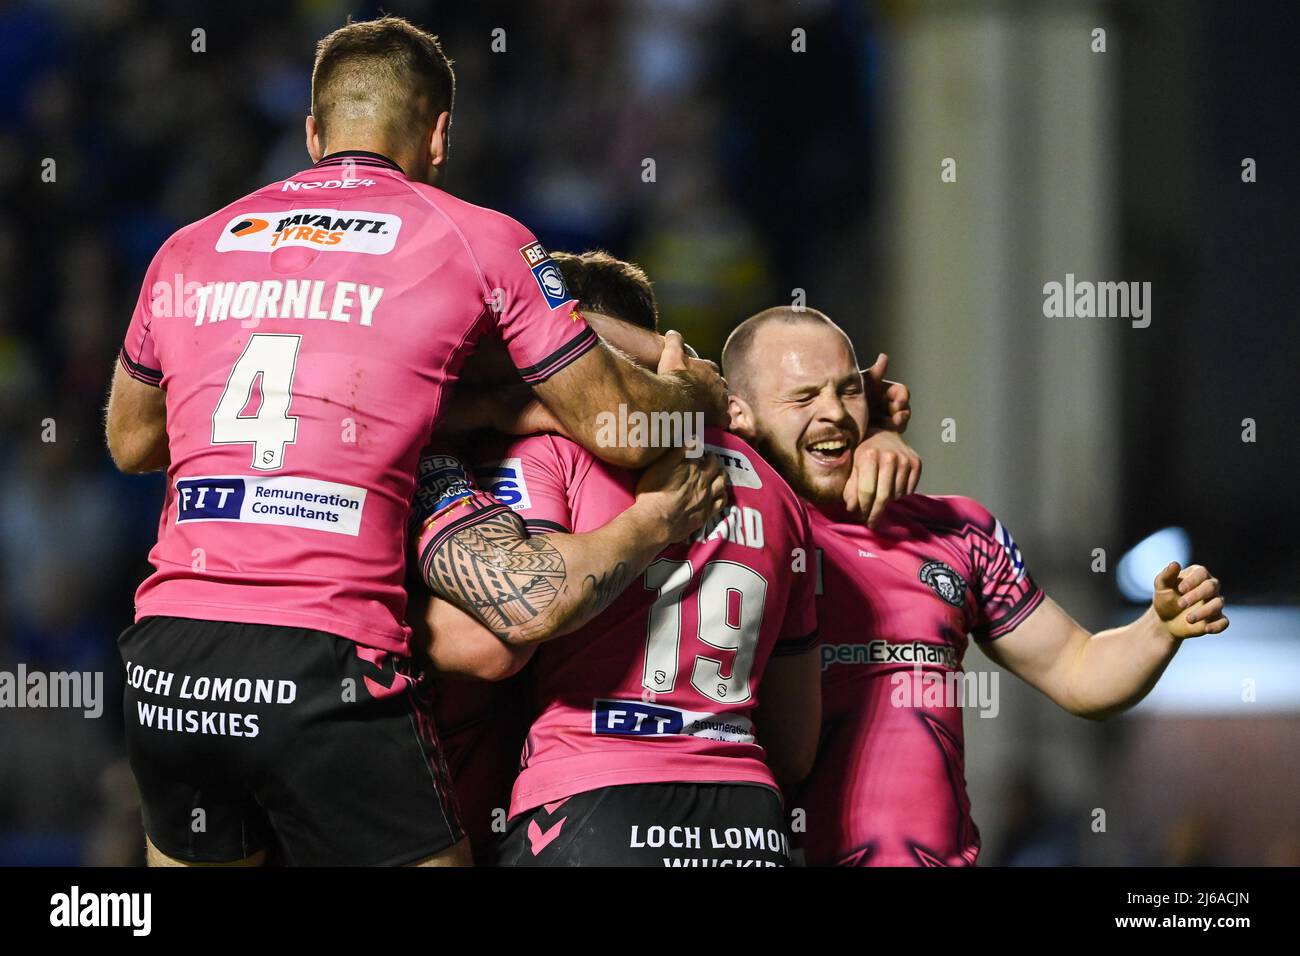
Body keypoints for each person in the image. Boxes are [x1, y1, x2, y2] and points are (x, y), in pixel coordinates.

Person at [103, 16, 724, 868]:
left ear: (312, 132)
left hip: (169, 655)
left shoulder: (187, 246)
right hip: (325, 653)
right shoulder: (480, 238)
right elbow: (616, 426)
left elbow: (132, 443)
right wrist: (691, 397)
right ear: (439, 135)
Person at [720, 307, 1229, 866]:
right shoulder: (729, 530)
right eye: (803, 397)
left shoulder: (958, 530)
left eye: (847, 390)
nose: (834, 414)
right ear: (736, 413)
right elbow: (642, 404)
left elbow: (1077, 669)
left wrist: (1158, 629)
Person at [415, 253, 838, 866]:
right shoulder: (778, 490)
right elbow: (795, 746)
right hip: (749, 818)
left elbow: (509, 622)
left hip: (594, 801)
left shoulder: (543, 454)